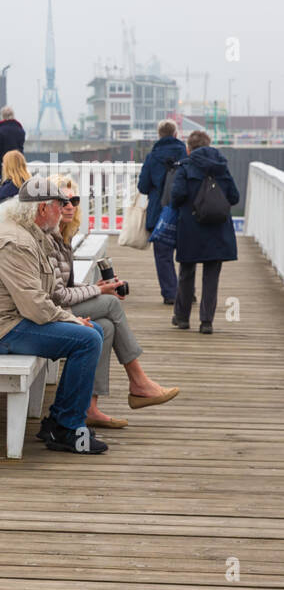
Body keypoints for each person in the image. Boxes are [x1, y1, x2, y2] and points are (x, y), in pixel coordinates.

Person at [0, 176, 107, 454]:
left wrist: (72, 320)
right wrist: (72, 319)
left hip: (15, 320)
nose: (64, 210)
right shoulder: (16, 242)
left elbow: (42, 297)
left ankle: (59, 421)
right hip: (2, 330)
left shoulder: (31, 234)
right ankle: (68, 428)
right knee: (88, 339)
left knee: (94, 333)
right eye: (60, 204)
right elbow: (33, 305)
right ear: (43, 208)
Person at [45, 175, 179, 429]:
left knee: (105, 326)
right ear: (48, 204)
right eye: (63, 201)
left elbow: (67, 287)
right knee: (112, 306)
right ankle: (138, 381)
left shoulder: (63, 236)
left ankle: (89, 407)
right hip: (49, 311)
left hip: (59, 303)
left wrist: (101, 289)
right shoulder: (47, 239)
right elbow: (55, 295)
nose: (70, 206)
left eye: (74, 200)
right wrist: (98, 291)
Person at [168, 130, 238, 333]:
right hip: (218, 228)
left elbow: (177, 196)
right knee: (211, 276)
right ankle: (206, 321)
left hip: (190, 227)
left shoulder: (185, 167)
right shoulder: (221, 168)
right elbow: (234, 197)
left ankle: (182, 318)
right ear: (208, 145)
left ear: (189, 148)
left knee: (186, 272)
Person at [136, 119, 186, 304]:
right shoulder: (185, 154)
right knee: (186, 254)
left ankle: (171, 293)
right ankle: (188, 292)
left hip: (159, 212)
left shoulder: (152, 156)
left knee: (163, 255)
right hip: (182, 209)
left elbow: (143, 186)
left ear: (159, 135)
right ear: (175, 134)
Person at [0, 106, 25, 183]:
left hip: (2, 169)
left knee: (1, 192)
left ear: (2, 116)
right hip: (17, 168)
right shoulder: (20, 130)